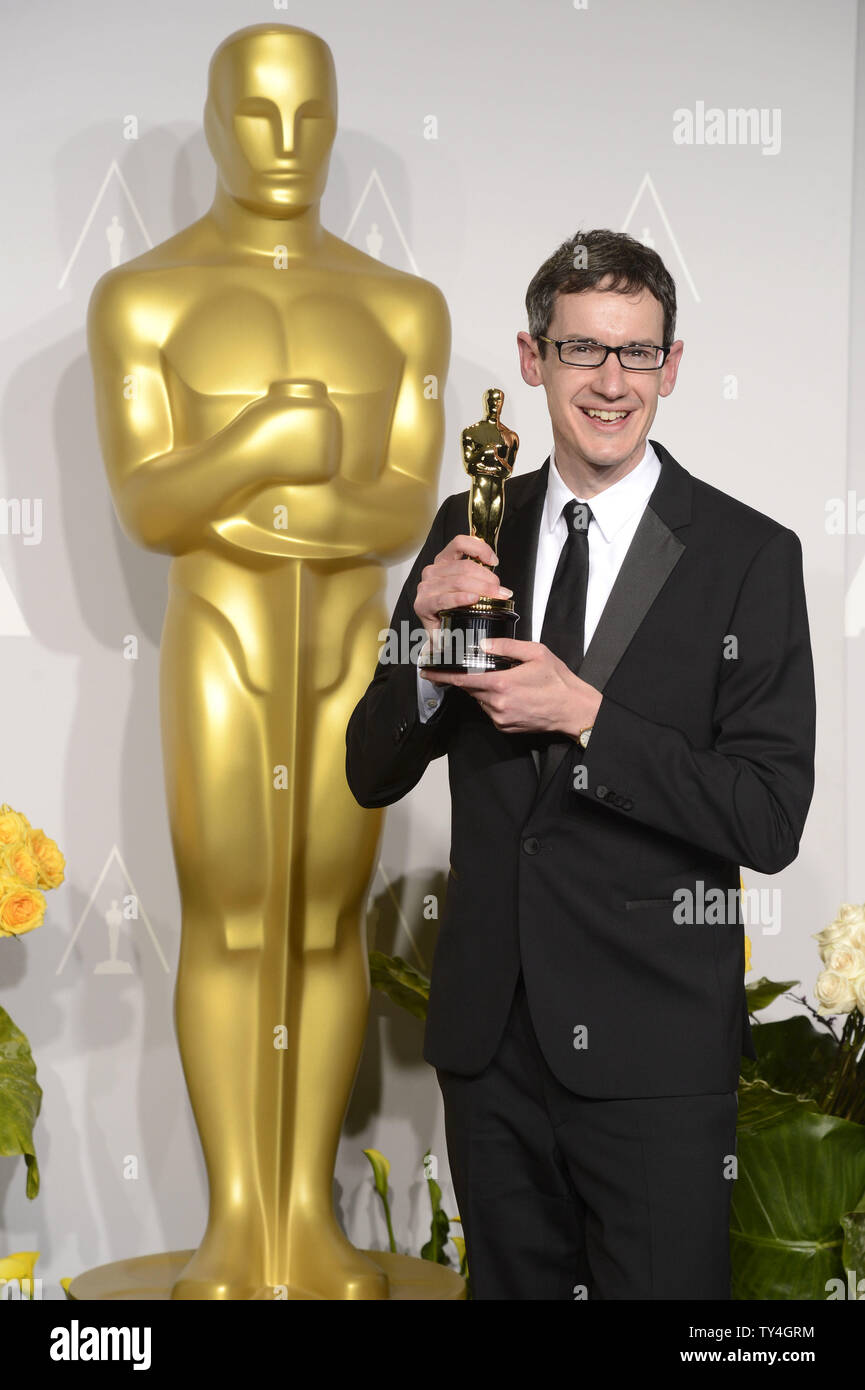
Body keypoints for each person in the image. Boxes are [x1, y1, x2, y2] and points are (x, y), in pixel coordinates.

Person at [345, 229, 816, 1300]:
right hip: (491, 1049)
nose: (610, 382)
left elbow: (768, 816)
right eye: (582, 350)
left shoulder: (748, 557)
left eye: (636, 354)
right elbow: (368, 769)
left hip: (653, 1061)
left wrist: (591, 716)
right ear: (531, 356)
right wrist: (420, 649)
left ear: (672, 366)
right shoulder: (467, 526)